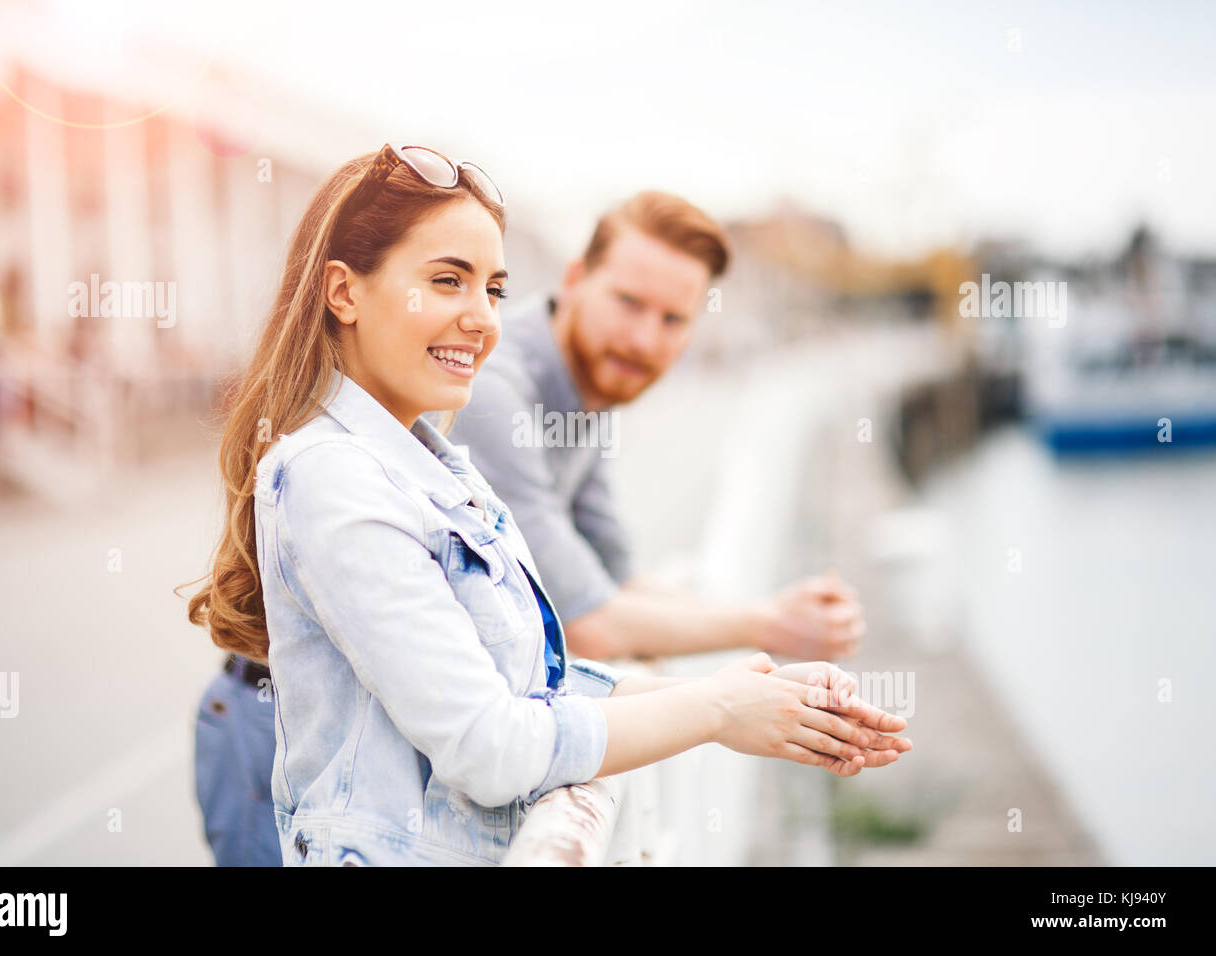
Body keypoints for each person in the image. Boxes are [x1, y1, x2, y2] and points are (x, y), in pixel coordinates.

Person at [184, 144, 910, 866]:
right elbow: (497, 731)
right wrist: (720, 703)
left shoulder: (435, 455)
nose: (480, 319)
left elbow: (554, 651)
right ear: (344, 293)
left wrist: (744, 689)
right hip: (286, 732)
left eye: (492, 290)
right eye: (447, 280)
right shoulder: (345, 474)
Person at [448, 191, 866, 663]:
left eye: (673, 319)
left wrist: (780, 613)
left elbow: (617, 581)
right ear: (574, 280)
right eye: (629, 303)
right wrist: (767, 624)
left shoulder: (590, 385)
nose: (644, 340)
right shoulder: (491, 386)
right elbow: (587, 624)